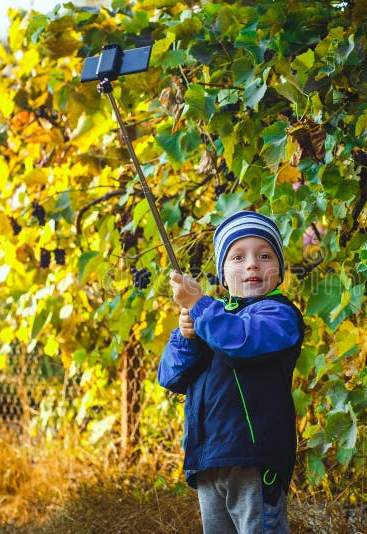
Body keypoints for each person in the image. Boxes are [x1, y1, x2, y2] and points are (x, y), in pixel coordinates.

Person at [158, 210, 305, 533]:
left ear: (279, 272)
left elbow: (240, 342)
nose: (252, 264)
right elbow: (171, 376)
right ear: (223, 276)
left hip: (253, 458)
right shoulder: (212, 319)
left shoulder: (279, 314)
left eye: (264, 255)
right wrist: (186, 337)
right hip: (209, 458)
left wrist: (200, 307)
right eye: (237, 257)